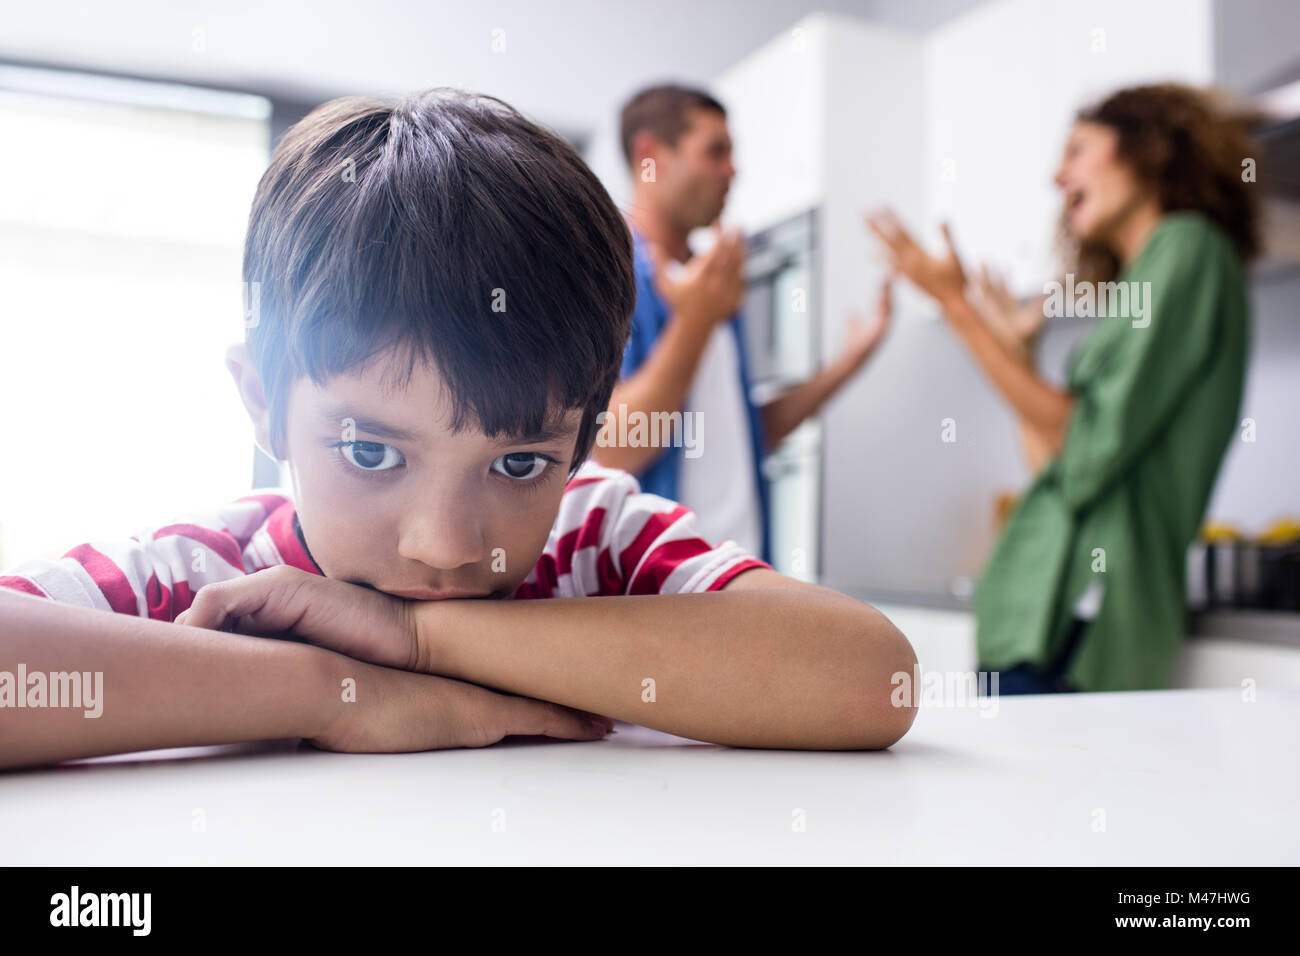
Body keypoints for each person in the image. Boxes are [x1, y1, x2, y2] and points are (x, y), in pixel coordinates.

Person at [0, 89, 918, 770]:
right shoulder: (209, 582)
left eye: (520, 462)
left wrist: (419, 640)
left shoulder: (595, 538)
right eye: (369, 451)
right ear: (262, 401)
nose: (444, 547)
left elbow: (876, 681)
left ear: (584, 440)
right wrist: (333, 691)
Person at [868, 83, 1260, 693]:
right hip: (1042, 622)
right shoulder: (1148, 275)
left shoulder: (1188, 249)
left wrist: (955, 305)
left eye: (1078, 149)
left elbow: (1084, 452)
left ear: (1150, 149)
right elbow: (1058, 468)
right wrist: (1019, 355)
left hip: (1083, 628)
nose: (1058, 176)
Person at [599, 84, 891, 561]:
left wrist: (849, 362)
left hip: (740, 575)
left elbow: (747, 433)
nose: (733, 170)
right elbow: (611, 448)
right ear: (650, 155)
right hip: (657, 593)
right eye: (716, 151)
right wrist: (696, 321)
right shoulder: (609, 273)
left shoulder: (713, 283)